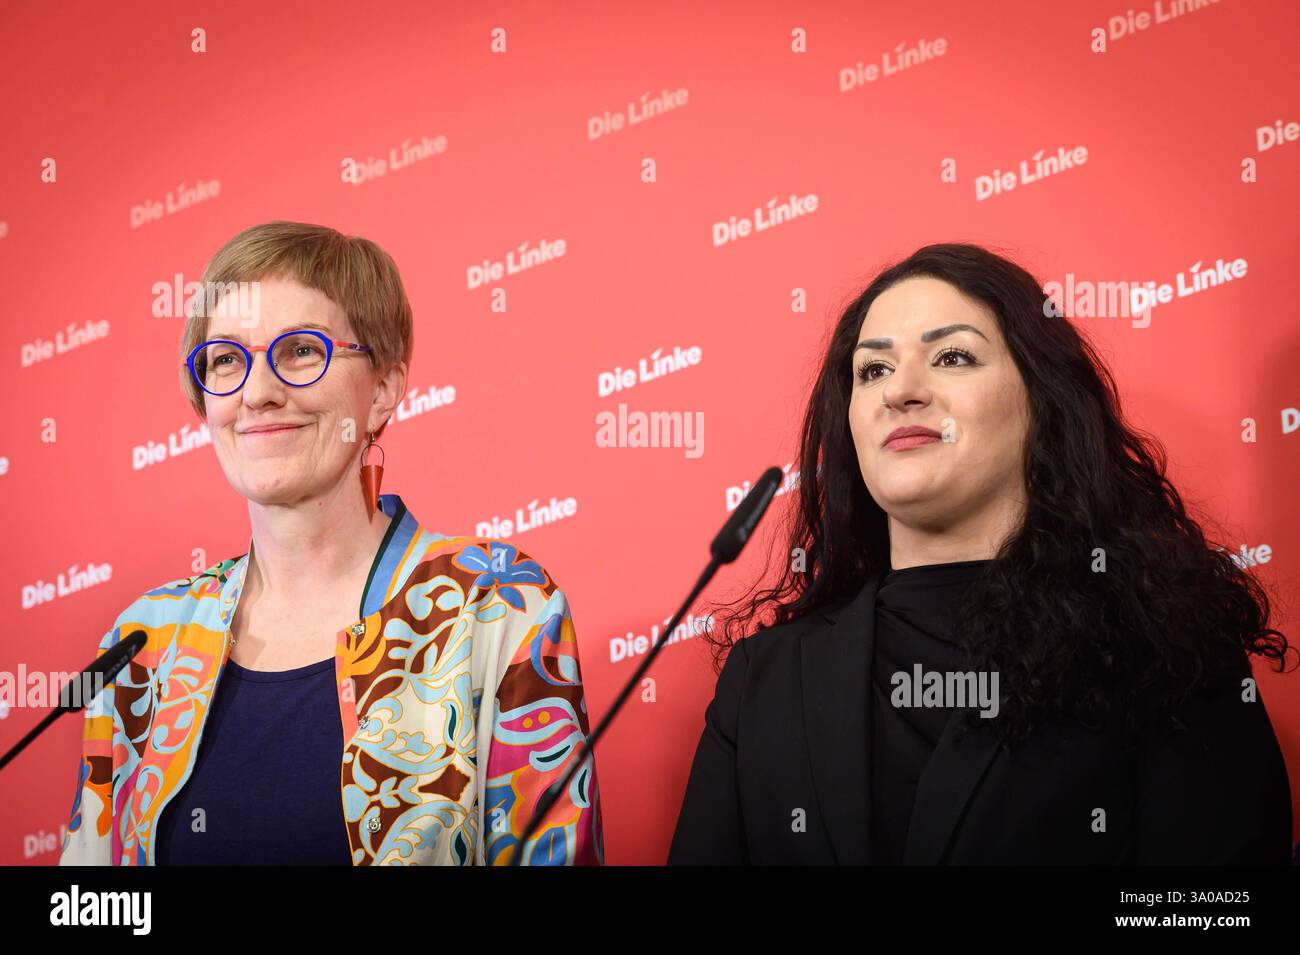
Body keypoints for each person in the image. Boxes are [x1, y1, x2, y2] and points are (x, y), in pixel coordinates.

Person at [668, 242, 1293, 865]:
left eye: (952, 356)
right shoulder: (762, 682)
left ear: (1042, 405)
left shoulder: (1163, 644)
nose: (902, 391)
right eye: (873, 370)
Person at [59, 220, 603, 866]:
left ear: (385, 388)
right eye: (227, 359)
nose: (258, 392)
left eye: (299, 350)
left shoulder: (498, 607)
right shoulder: (142, 643)